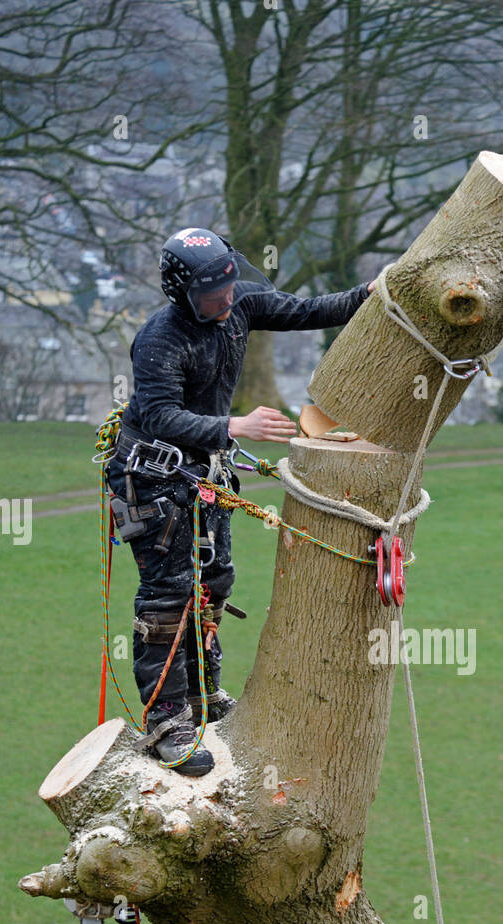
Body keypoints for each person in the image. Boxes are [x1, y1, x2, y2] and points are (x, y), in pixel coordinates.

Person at [106, 227, 375, 776]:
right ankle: (167, 720)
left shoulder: (240, 304)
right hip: (153, 479)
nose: (225, 302)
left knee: (213, 583)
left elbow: (302, 310)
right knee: (168, 595)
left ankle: (204, 695)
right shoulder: (161, 338)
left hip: (205, 471)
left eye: (229, 289)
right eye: (211, 296)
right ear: (181, 293)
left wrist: (367, 295)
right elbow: (159, 416)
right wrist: (235, 424)